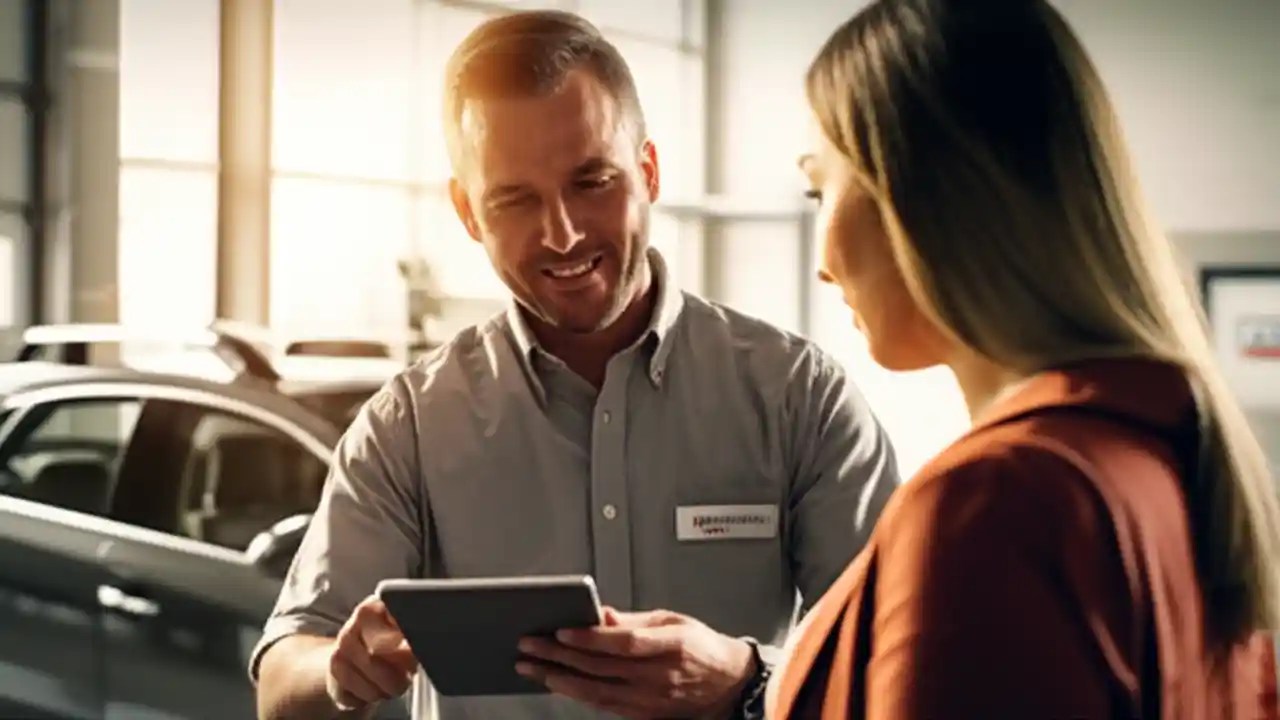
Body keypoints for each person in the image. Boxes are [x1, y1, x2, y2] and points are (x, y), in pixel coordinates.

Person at [251, 10, 900, 720]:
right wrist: (340, 672)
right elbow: (285, 677)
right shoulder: (408, 427)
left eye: (591, 181)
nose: (561, 233)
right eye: (515, 199)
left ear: (647, 172)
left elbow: (896, 667)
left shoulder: (799, 398)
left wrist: (748, 680)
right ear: (469, 212)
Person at [766, 0, 1280, 718]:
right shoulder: (1161, 463)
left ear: (929, 196)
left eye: (822, 189)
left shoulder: (993, 503)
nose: (823, 262)